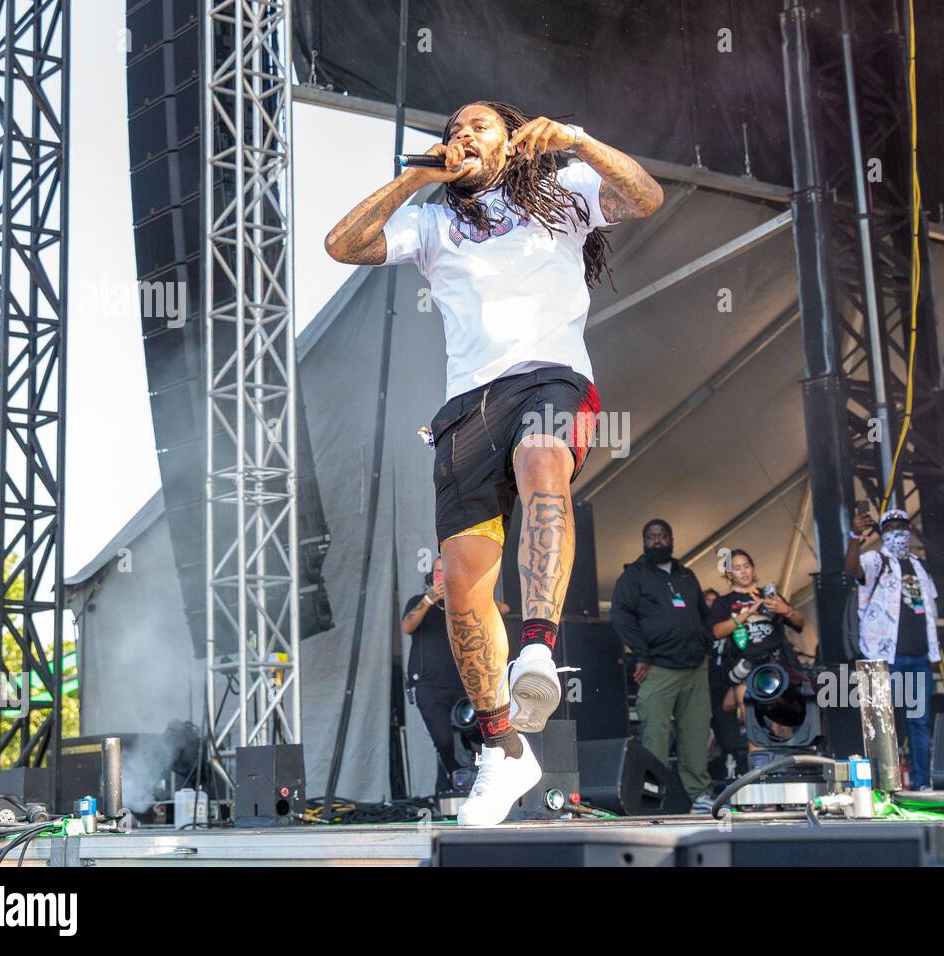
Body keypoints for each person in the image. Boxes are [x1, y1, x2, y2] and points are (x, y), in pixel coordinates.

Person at [327, 101, 664, 826]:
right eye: (451, 131)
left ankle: (538, 652)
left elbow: (644, 196)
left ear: (514, 140)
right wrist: (414, 176)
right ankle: (504, 746)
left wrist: (579, 136)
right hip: (464, 405)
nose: (460, 137)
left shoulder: (565, 186)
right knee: (459, 579)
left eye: (476, 126)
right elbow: (341, 244)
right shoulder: (433, 218)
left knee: (545, 461)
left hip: (549, 375)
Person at [610, 519, 714, 811]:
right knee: (654, 735)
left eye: (662, 536)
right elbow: (620, 616)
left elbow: (703, 614)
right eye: (651, 536)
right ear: (644, 541)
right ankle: (656, 796)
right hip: (657, 668)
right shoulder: (635, 575)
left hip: (695, 668)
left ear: (671, 539)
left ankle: (698, 794)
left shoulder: (686, 574)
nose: (657, 541)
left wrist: (705, 646)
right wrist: (642, 653)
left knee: (695, 735)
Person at [845, 507, 941, 790]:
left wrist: (935, 652)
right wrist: (854, 536)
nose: (898, 532)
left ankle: (922, 783)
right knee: (884, 721)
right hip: (885, 656)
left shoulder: (919, 565)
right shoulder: (876, 559)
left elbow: (931, 611)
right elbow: (852, 569)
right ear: (883, 533)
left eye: (903, 526)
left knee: (919, 722)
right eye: (891, 527)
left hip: (920, 657)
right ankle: (884, 783)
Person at [706, 549, 804, 777]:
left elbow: (800, 623)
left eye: (747, 566)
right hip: (745, 668)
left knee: (782, 721)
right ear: (729, 573)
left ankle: (785, 775)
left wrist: (785, 609)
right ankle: (761, 778)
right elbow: (715, 632)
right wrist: (742, 616)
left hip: (776, 664)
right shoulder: (724, 603)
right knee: (754, 722)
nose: (744, 571)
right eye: (737, 568)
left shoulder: (769, 596)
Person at [400, 558, 465, 792]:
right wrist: (429, 598)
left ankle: (447, 790)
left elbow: (504, 609)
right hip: (428, 686)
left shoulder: (462, 602)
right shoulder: (418, 602)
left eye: (447, 572)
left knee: (467, 740)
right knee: (444, 740)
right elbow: (407, 626)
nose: (442, 576)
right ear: (430, 577)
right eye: (438, 572)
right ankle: (457, 781)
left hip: (461, 685)